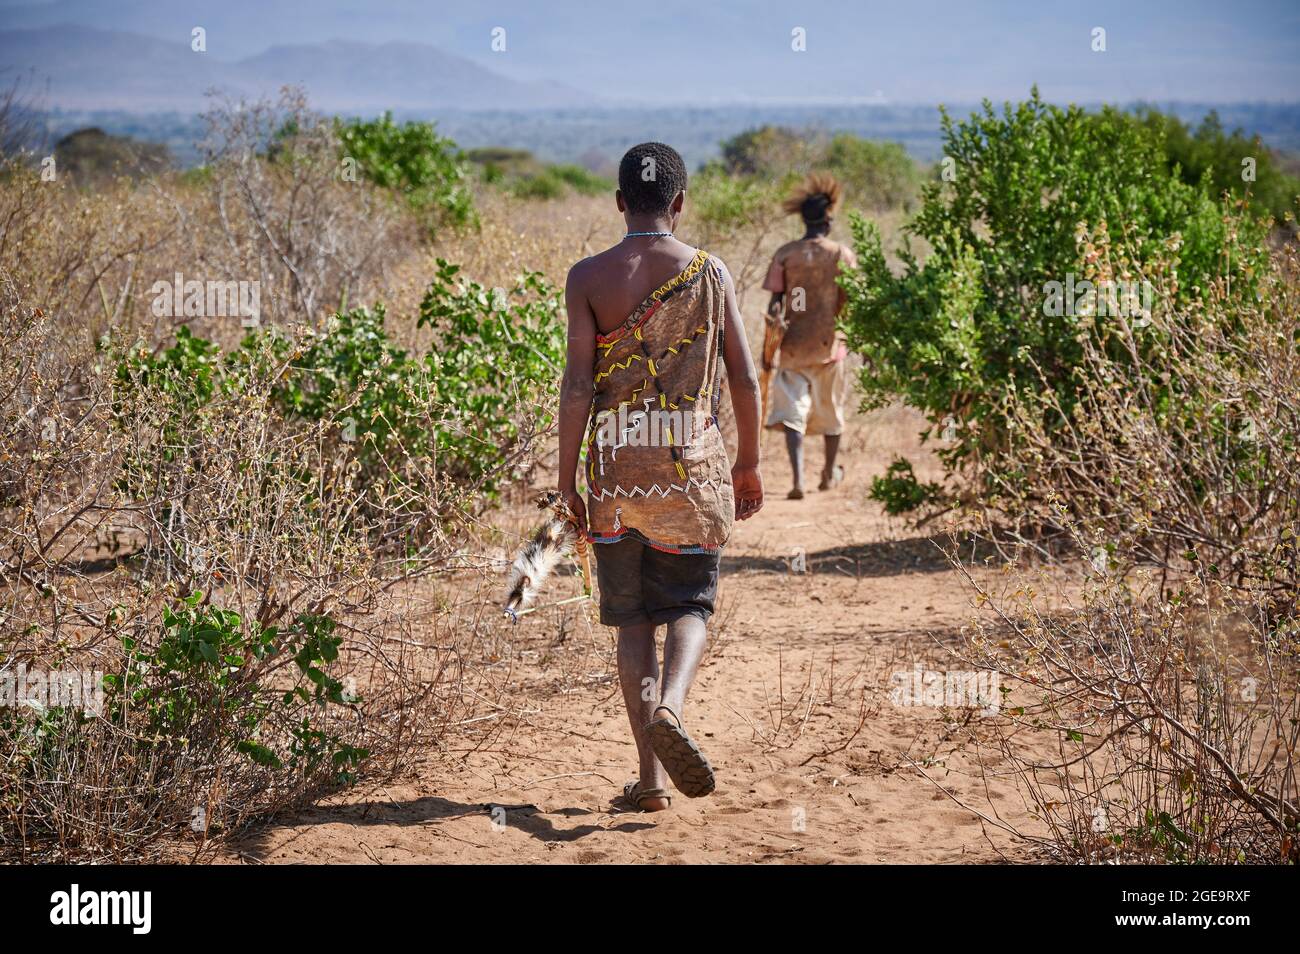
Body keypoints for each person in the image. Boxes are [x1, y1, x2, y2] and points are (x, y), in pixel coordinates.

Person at [558, 142, 764, 812]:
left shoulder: (588, 277)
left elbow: (577, 388)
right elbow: (744, 377)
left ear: (620, 202)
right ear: (681, 202)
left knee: (631, 626)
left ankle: (649, 783)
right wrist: (749, 462)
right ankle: (672, 706)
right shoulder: (711, 273)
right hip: (690, 473)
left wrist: (568, 485)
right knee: (689, 604)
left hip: (616, 479)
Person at [761, 174, 857, 499]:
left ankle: (798, 479)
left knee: (792, 416)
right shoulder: (840, 254)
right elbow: (853, 300)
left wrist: (768, 349)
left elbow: (775, 307)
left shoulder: (786, 254)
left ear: (804, 219)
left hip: (792, 349)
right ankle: (829, 473)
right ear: (828, 219)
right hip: (831, 348)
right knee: (831, 412)